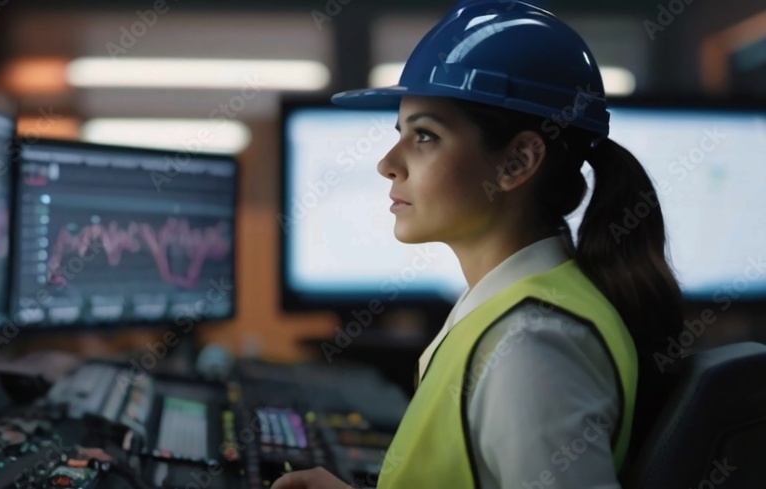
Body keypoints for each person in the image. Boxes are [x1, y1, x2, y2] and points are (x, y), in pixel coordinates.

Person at [271, 1, 683, 488]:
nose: (387, 163)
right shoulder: (512, 309)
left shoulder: (531, 347)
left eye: (424, 135)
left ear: (518, 161)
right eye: (399, 133)